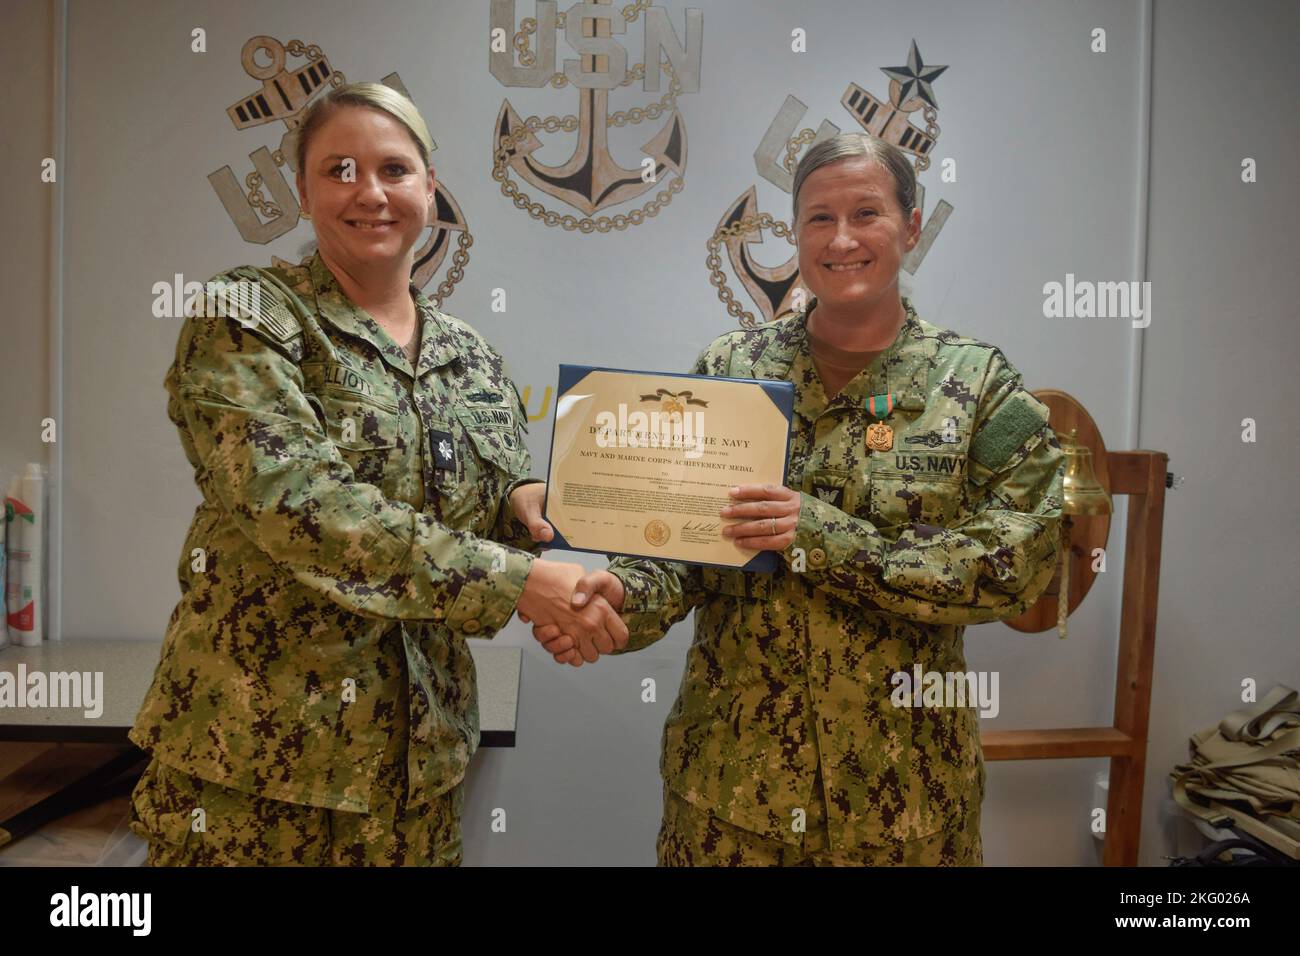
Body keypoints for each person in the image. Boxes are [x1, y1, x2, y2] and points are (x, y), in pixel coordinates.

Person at [528, 133, 1065, 866]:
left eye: (866, 213)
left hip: (903, 807)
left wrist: (822, 536)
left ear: (910, 228)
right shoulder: (730, 370)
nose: (841, 239)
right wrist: (615, 596)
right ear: (796, 234)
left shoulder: (975, 385)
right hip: (731, 801)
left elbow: (1020, 565)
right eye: (818, 219)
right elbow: (683, 555)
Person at [128, 82, 625, 866]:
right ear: (302, 191)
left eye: (394, 169)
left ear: (430, 188)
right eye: (339, 170)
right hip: (257, 772)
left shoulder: (472, 355)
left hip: (414, 776)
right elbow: (301, 507)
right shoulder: (248, 314)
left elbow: (468, 500)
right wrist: (518, 582)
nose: (370, 193)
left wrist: (523, 504)